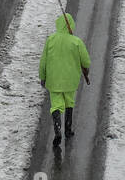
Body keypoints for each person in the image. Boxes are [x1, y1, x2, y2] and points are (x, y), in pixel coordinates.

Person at [38, 13, 91, 147]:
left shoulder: (51, 40)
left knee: (56, 105)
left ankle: (57, 129)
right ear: (70, 25)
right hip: (70, 80)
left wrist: (43, 77)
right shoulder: (76, 42)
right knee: (69, 102)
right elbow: (86, 61)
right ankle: (68, 129)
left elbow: (43, 61)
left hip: (53, 79)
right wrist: (86, 69)